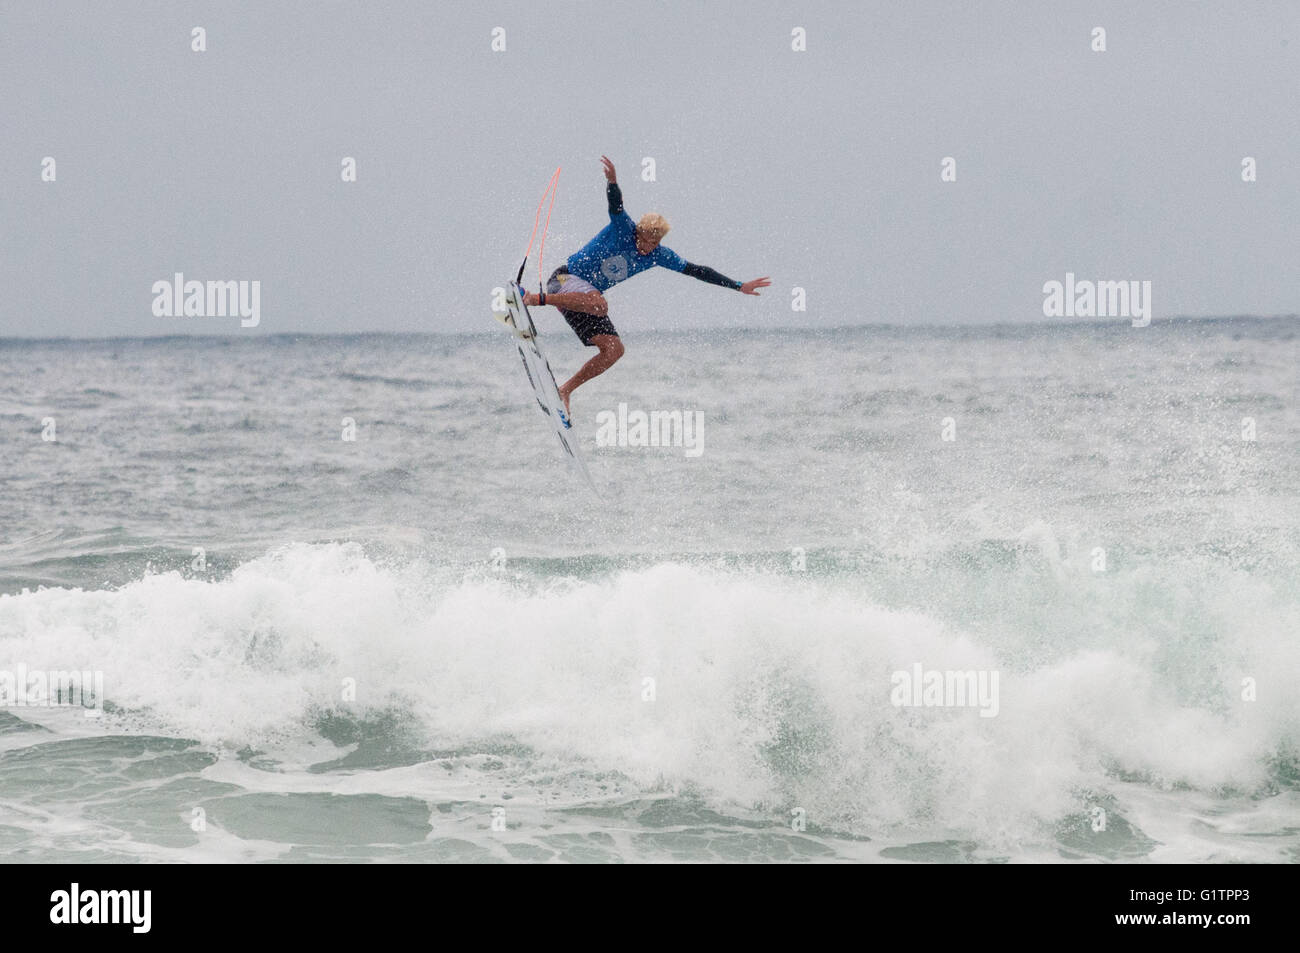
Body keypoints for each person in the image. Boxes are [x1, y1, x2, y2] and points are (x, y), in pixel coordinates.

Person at [522, 156, 770, 413]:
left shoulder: (659, 255)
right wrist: (613, 182)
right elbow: (616, 206)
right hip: (564, 280)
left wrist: (738, 285)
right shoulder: (623, 228)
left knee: (614, 350)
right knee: (600, 303)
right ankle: (533, 298)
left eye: (654, 243)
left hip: (584, 302)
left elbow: (697, 271)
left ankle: (565, 391)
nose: (647, 247)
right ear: (638, 231)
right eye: (644, 240)